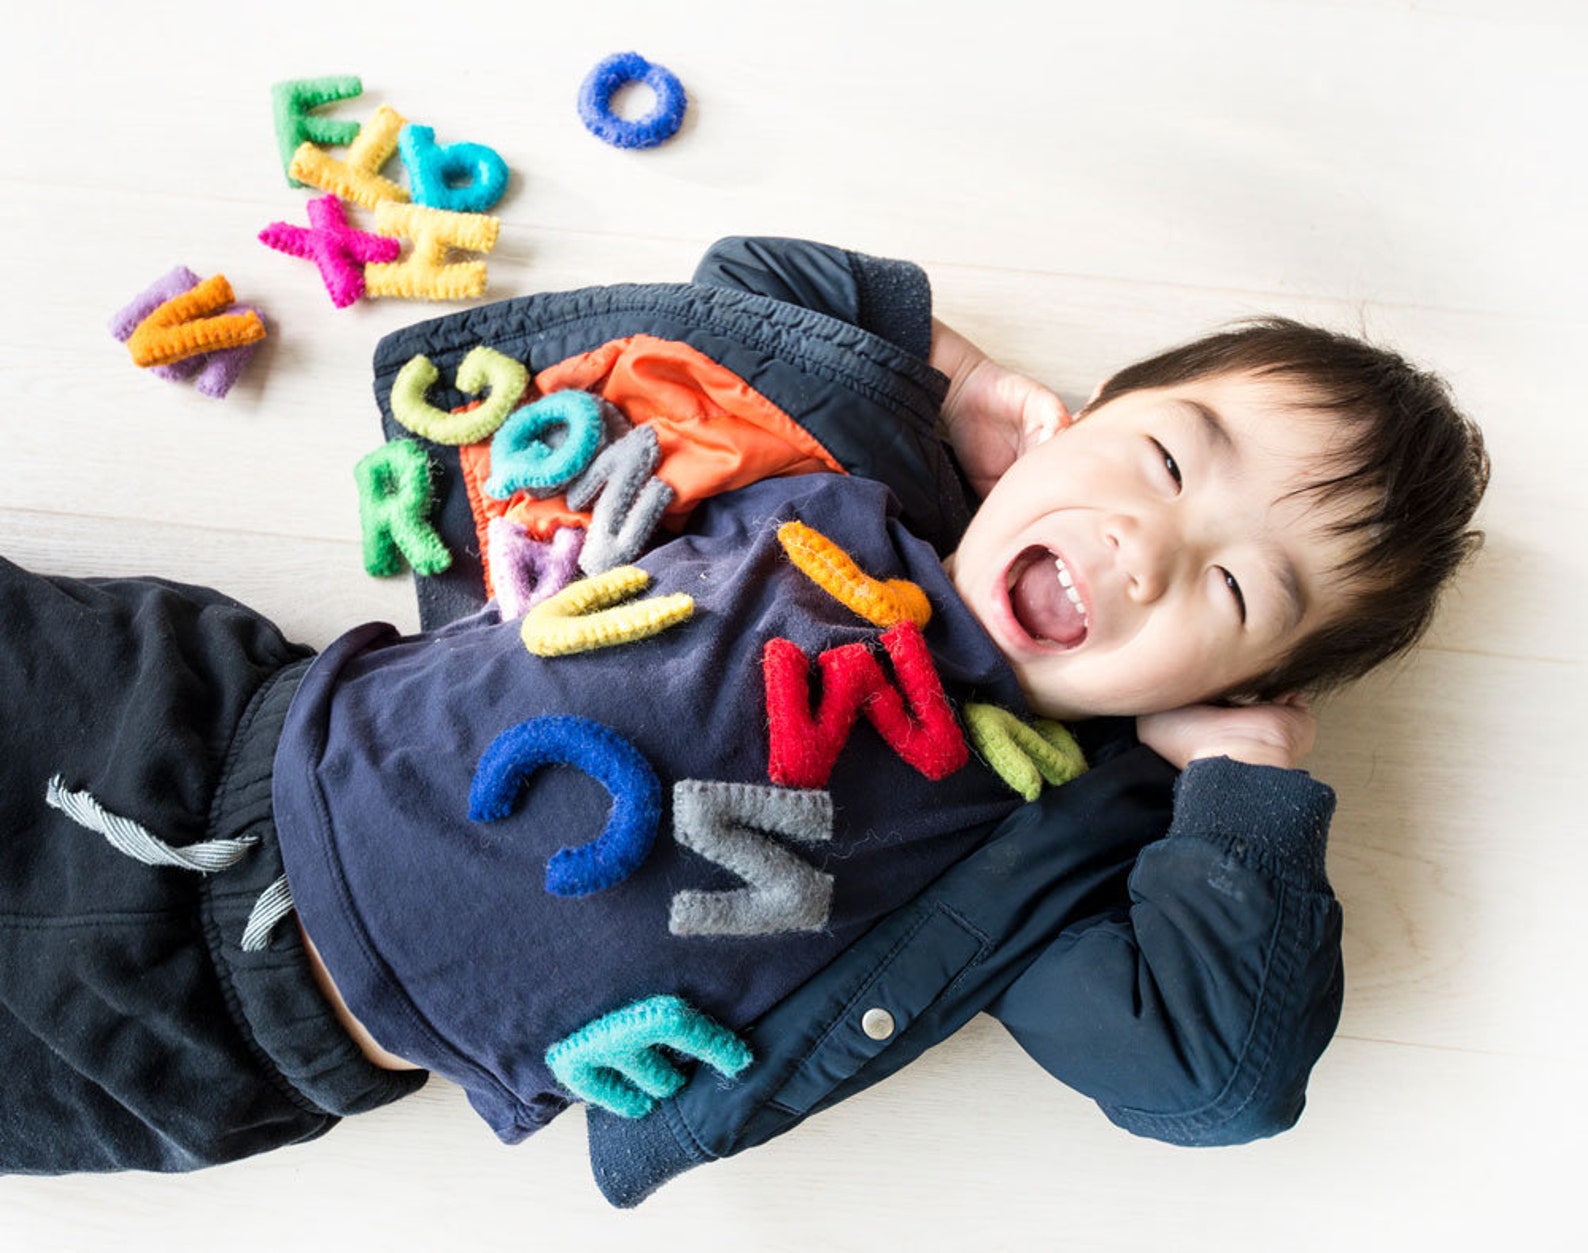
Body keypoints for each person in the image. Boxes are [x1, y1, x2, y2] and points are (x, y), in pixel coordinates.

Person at [0, 237, 1487, 1203]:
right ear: (1084, 423)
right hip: (204, 719)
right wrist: (971, 381)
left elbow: (1216, 1076)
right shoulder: (858, 465)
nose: (1143, 548)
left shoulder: (1042, 856)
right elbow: (767, 279)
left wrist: (1244, 793)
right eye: (1162, 456)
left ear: (1218, 687)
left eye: (1231, 584)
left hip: (236, 1037)